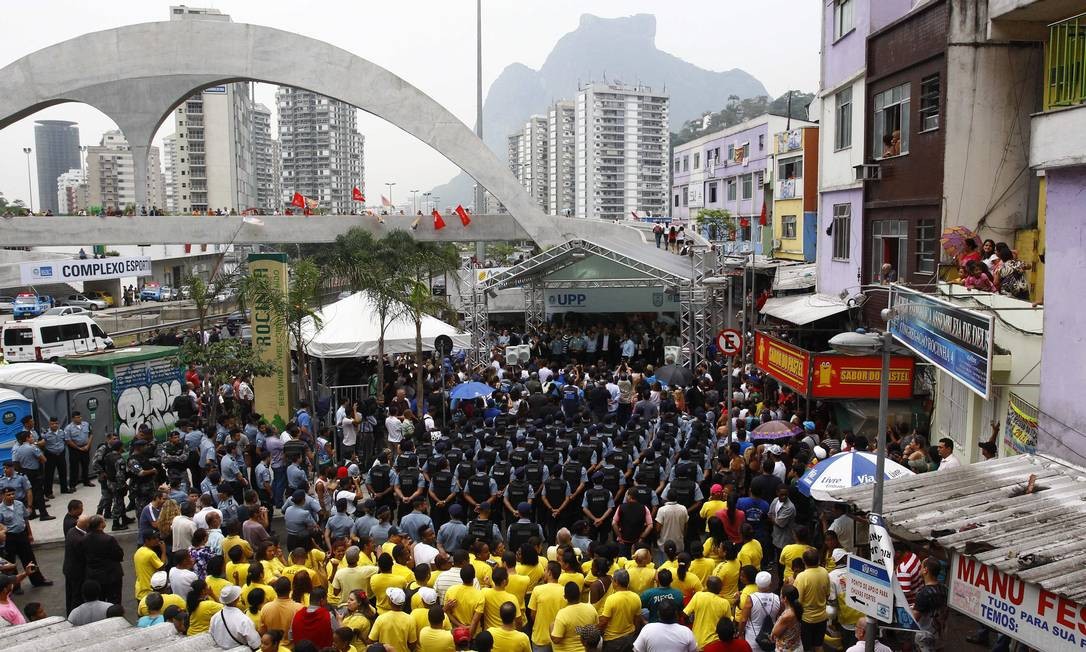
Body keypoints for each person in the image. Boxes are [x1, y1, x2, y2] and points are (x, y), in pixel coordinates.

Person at [793, 549, 830, 651]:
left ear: (804, 561)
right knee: (819, 645)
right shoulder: (824, 572)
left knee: (807, 648)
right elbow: (827, 594)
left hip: (807, 619)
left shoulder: (801, 577)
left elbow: (798, 601)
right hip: (822, 617)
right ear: (818, 560)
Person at [598, 569, 643, 651]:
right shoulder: (636, 597)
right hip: (629, 638)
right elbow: (637, 620)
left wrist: (598, 633)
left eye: (613, 580)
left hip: (612, 640)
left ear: (616, 582)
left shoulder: (611, 599)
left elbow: (604, 622)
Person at [81, 514, 122, 603]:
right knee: (114, 600)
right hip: (111, 575)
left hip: (94, 575)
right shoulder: (109, 539)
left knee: (100, 600)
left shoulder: (84, 539)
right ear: (100, 524)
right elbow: (119, 555)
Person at [684, 576, 733, 649]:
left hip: (696, 642)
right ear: (720, 588)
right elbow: (729, 623)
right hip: (714, 644)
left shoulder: (698, 595)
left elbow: (685, 614)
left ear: (707, 586)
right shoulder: (725, 603)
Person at [632, 597, 697, 652]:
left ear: (658, 613)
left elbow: (637, 650)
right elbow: (694, 650)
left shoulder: (647, 629)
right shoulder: (686, 632)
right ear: (676, 614)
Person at [550, 579, 598, 652]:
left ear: (565, 597)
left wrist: (550, 627)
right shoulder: (591, 608)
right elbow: (594, 630)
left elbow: (556, 640)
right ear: (579, 594)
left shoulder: (562, 614)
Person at [912, 558, 948, 652]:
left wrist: (911, 609)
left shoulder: (923, 594)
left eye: (921, 567)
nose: (919, 569)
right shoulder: (945, 589)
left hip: (925, 637)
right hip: (940, 634)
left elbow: (914, 618)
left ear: (926, 570)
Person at [211, 583, 262, 649]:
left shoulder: (214, 617)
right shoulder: (243, 620)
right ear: (237, 599)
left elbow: (212, 634)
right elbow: (256, 644)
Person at [771, 585, 803, 652]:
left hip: (786, 648)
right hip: (795, 646)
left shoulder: (787, 615)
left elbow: (774, 634)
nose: (779, 596)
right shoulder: (796, 609)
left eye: (780, 594)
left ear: (785, 598)